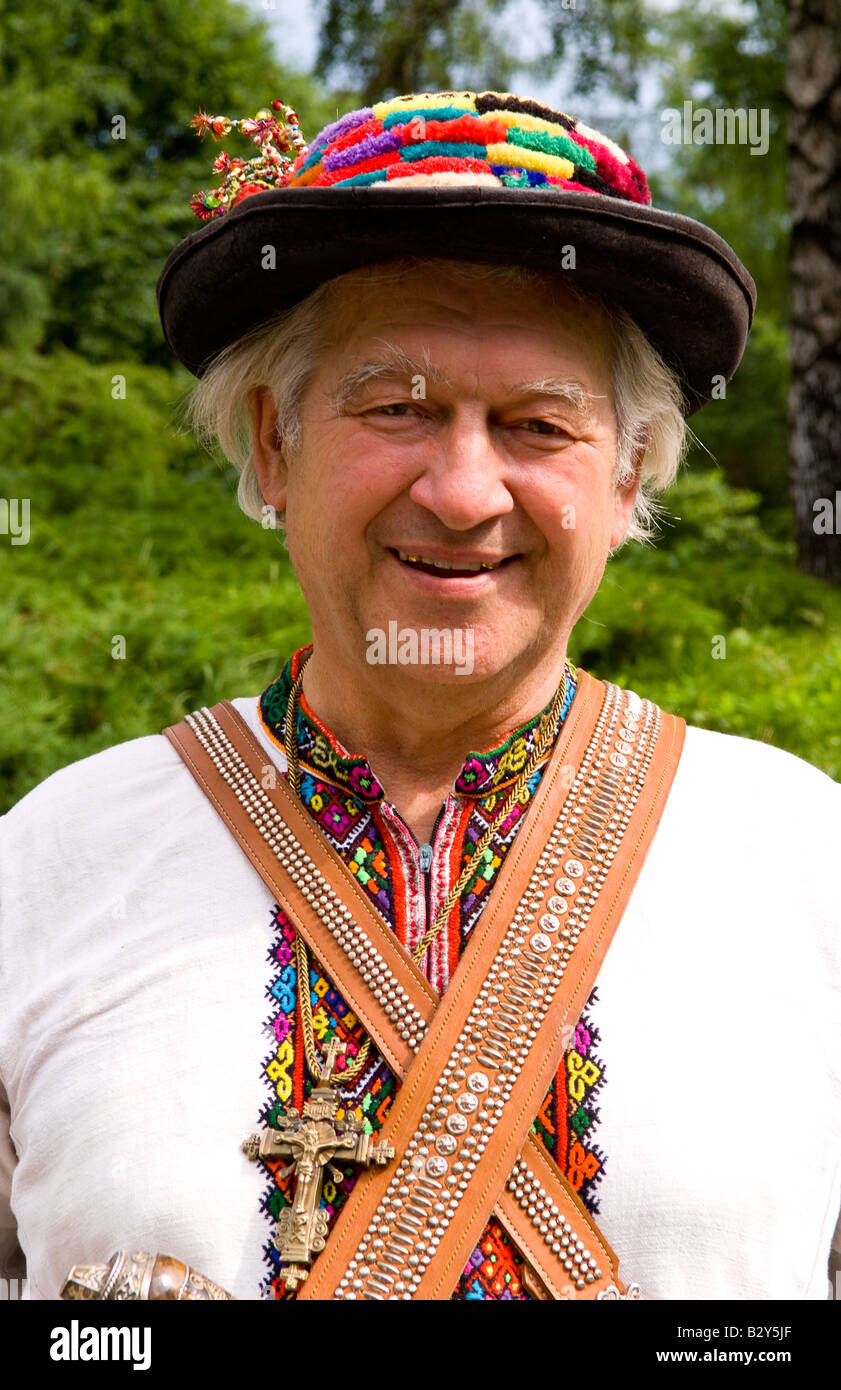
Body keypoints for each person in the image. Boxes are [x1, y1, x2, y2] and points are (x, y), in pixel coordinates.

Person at [1, 89, 839, 1303]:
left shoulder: (805, 861)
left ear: (626, 476)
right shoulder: (47, 868)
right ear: (273, 444)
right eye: (396, 407)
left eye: (537, 424)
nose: (461, 490)